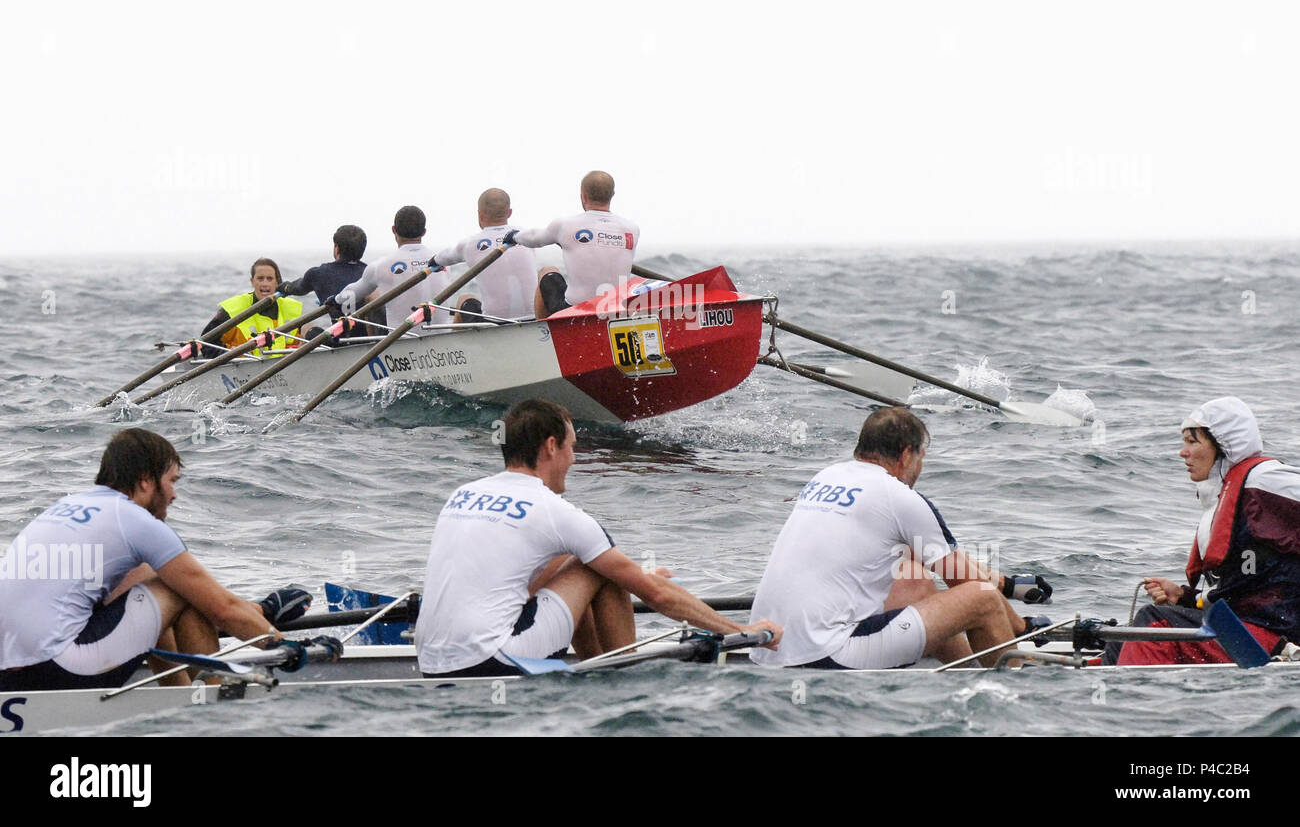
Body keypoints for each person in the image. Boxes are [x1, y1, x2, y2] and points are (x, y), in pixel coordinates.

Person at [413, 399, 781, 677]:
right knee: (600, 567)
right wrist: (743, 630)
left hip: (431, 661)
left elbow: (524, 583)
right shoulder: (553, 510)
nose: (575, 459)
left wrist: (639, 576)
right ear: (551, 446)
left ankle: (600, 670)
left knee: (584, 561)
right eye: (572, 447)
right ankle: (623, 685)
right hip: (493, 661)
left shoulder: (461, 495)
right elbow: (656, 596)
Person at [0, 429, 311, 691]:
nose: (174, 494)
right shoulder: (134, 520)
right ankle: (220, 706)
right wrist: (282, 645)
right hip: (58, 671)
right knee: (178, 588)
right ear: (147, 480)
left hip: (7, 678)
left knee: (149, 585)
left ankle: (180, 697)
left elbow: (142, 611)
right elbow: (222, 609)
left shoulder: (68, 505)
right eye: (172, 481)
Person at [748, 407, 1054, 670]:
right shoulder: (899, 497)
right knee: (983, 600)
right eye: (921, 456)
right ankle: (1016, 692)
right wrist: (1021, 627)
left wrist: (1008, 585)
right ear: (907, 454)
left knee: (915, 583)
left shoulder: (825, 477)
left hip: (768, 648)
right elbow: (964, 581)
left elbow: (925, 565)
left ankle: (967, 673)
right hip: (828, 653)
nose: (920, 467)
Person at [1103, 397, 1300, 665]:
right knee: (1125, 636)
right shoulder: (1223, 496)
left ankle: (1127, 700)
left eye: (1192, 441)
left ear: (1225, 445)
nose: (1183, 452)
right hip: (1240, 631)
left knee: (1154, 622)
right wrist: (1183, 597)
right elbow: (1242, 593)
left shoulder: (1264, 481)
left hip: (1273, 637)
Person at [503, 171, 639, 319]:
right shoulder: (632, 229)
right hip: (616, 309)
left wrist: (514, 236)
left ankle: (544, 333)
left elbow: (535, 238)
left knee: (547, 271)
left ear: (583, 196)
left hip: (575, 310)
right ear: (612, 195)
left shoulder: (565, 225)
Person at [334, 206, 452, 330]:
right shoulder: (444, 262)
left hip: (401, 343)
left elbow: (350, 293)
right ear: (424, 232)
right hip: (445, 343)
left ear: (393, 230)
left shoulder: (380, 266)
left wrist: (334, 301)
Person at [432, 188, 537, 323]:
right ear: (509, 213)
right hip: (535, 316)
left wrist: (433, 262)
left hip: (494, 321)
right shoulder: (526, 235)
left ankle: (454, 343)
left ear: (480, 215)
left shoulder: (468, 244)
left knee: (465, 298)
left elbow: (440, 259)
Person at [199, 257, 303, 358]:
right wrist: (231, 355)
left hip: (284, 370)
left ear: (277, 283)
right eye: (260, 278)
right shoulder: (232, 309)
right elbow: (206, 345)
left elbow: (302, 337)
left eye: (270, 279)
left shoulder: (291, 309)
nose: (265, 283)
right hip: (242, 371)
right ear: (252, 282)